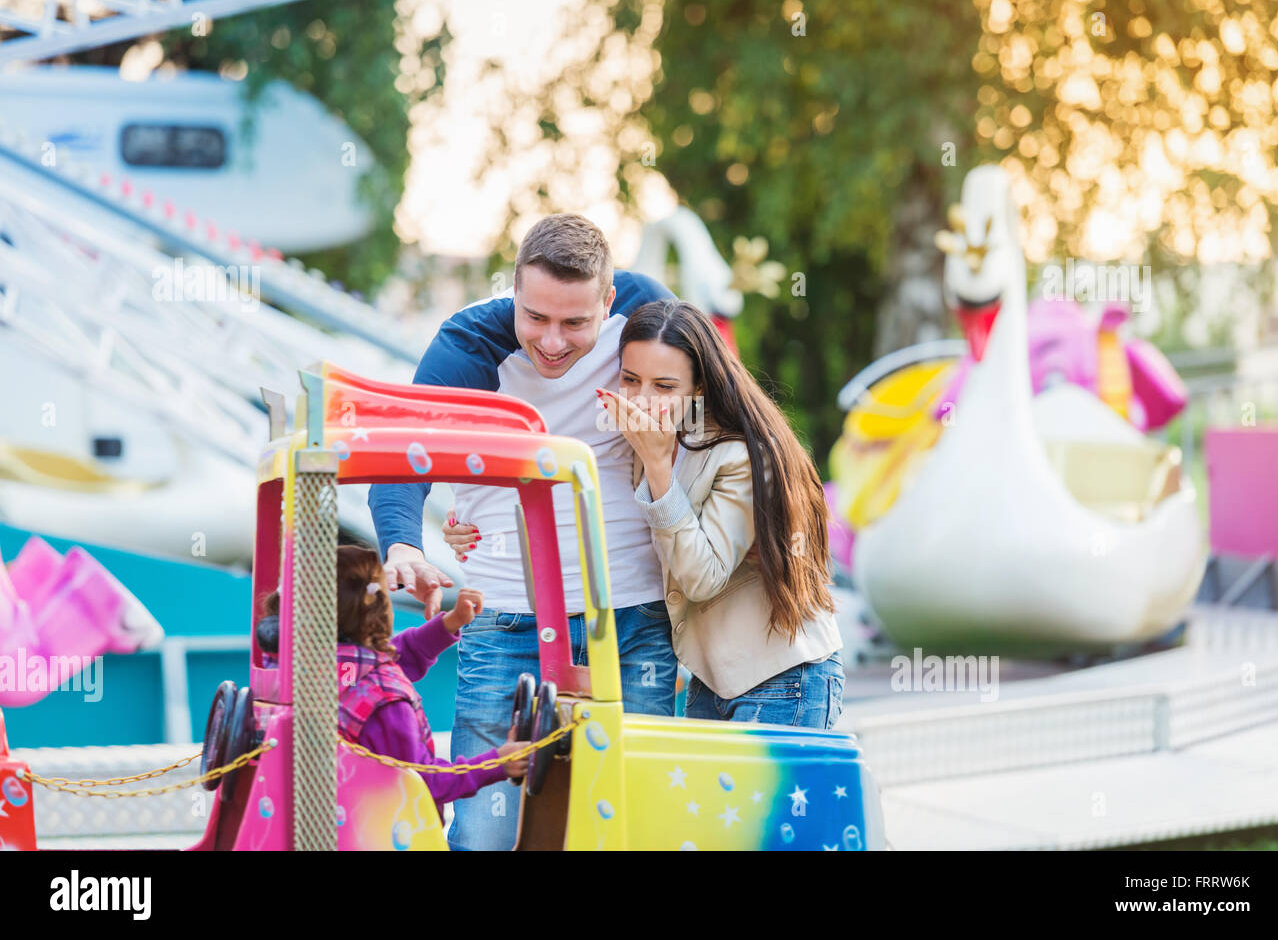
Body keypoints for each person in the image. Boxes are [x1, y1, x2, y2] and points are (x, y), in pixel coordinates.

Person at [368, 213, 678, 850]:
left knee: (636, 823)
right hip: (508, 617)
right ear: (513, 293)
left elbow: (719, 412)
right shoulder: (471, 345)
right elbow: (404, 455)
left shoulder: (650, 314)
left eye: (574, 322)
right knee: (486, 833)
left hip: (632, 616)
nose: (554, 341)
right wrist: (404, 543)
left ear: (609, 300)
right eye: (535, 317)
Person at [595, 299, 845, 727]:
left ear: (697, 391)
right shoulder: (647, 442)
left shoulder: (738, 455)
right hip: (713, 680)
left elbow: (702, 577)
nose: (641, 400)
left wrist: (658, 467)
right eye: (630, 380)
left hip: (783, 676)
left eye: (664, 386)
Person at [256, 546, 528, 815]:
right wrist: (496, 764)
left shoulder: (291, 668)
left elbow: (388, 660)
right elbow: (421, 782)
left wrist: (451, 622)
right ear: (376, 610)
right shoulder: (386, 704)